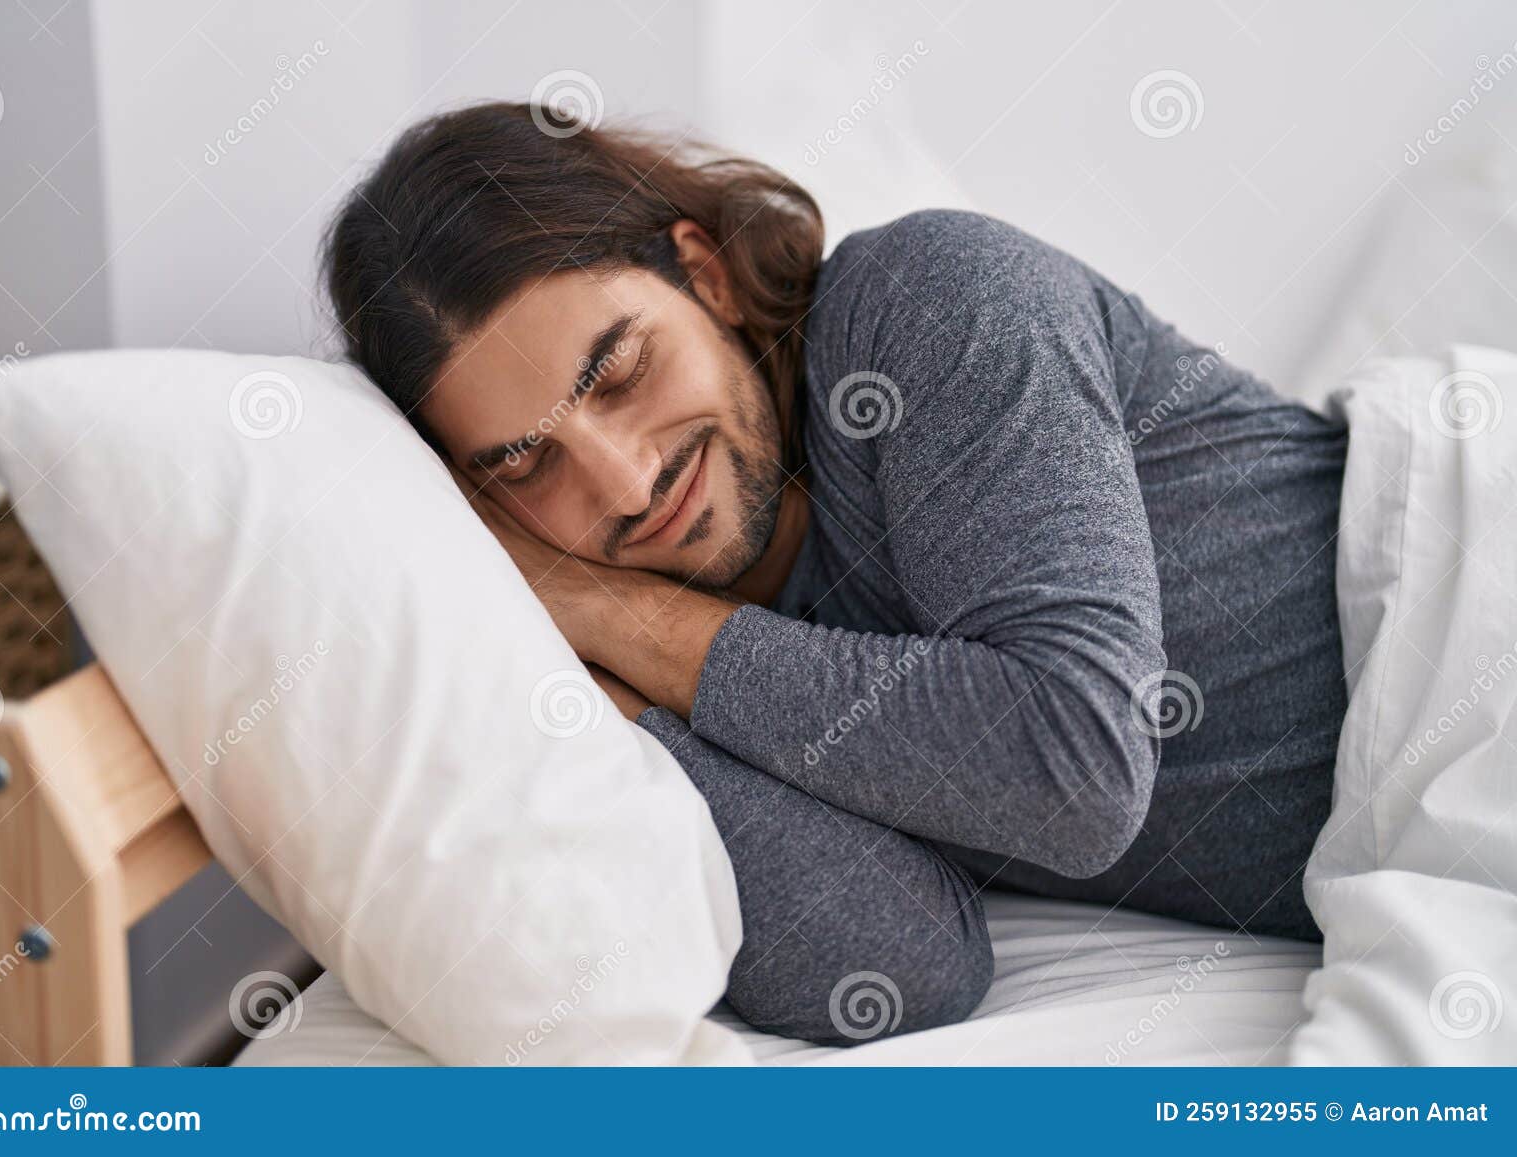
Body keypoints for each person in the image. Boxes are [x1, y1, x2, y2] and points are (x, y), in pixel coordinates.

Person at [321, 101, 1349, 1044]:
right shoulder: (647, 647)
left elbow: (1072, 769)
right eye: (525, 461)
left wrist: (607, 608)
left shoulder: (927, 299)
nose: (627, 483)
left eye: (623, 371)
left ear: (706, 274)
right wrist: (607, 694)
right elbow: (899, 965)